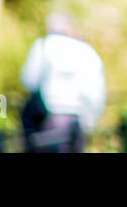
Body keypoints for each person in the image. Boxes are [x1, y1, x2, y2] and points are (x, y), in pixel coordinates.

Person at [19, 12, 106, 152]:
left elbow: (29, 81)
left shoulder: (42, 47)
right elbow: (96, 94)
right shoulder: (87, 51)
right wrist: (90, 122)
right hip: (78, 123)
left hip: (47, 122)